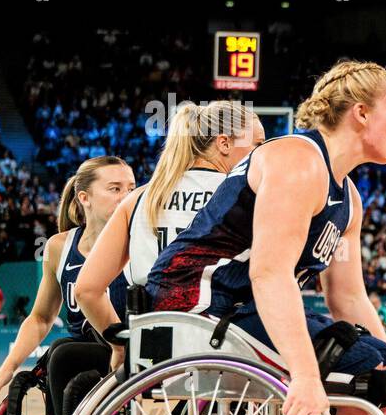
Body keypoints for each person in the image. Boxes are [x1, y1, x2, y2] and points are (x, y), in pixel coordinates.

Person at [145, 60, 386, 415]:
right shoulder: (296, 159)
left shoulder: (347, 197)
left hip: (242, 304)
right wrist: (306, 377)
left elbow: (348, 296)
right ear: (361, 114)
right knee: (361, 371)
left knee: (378, 372)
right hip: (197, 298)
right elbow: (269, 273)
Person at [76, 102, 264, 369]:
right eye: (257, 144)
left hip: (153, 342)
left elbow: (86, 289)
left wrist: (120, 345)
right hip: (222, 340)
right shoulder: (245, 196)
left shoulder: (139, 198)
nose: (262, 153)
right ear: (223, 144)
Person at [0, 156, 135, 415]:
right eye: (115, 188)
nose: (127, 197)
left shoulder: (142, 241)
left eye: (131, 188)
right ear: (85, 197)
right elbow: (41, 318)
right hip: (82, 349)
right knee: (57, 352)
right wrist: (8, 366)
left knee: (62, 352)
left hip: (130, 350)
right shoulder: (60, 246)